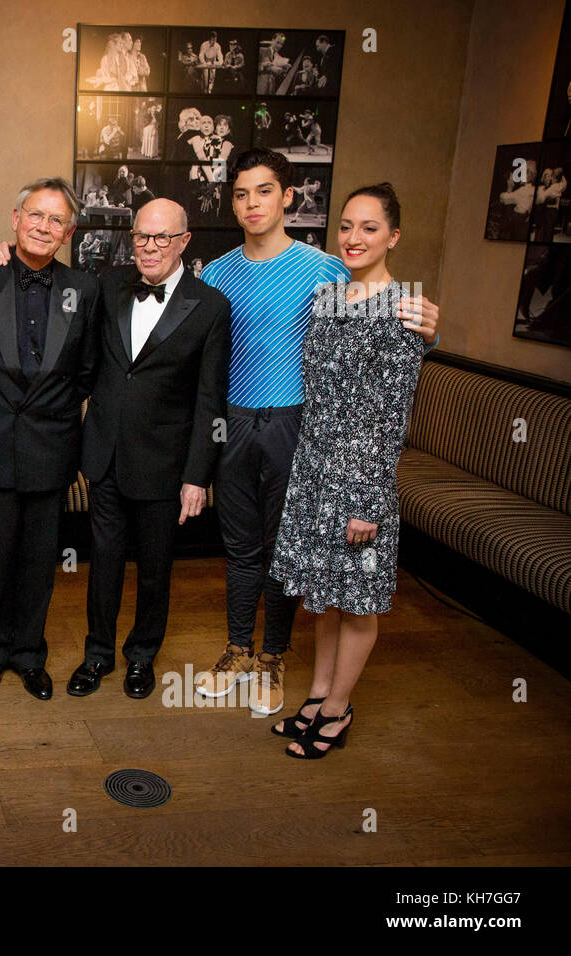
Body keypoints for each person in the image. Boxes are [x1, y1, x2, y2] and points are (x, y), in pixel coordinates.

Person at [194, 149, 440, 717]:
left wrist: (429, 330)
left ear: (287, 198)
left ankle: (274, 657)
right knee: (239, 548)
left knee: (285, 549)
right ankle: (237, 649)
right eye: (240, 193)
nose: (251, 203)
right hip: (231, 420)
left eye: (263, 191)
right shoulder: (216, 271)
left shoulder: (329, 271)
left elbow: (382, 344)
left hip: (295, 425)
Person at [269, 184, 425, 757]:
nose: (354, 239)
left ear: (393, 237)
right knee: (323, 594)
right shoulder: (329, 297)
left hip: (360, 479)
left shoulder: (403, 308)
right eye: (346, 227)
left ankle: (338, 709)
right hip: (315, 468)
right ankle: (316, 696)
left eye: (369, 228)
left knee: (357, 600)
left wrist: (368, 500)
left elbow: (392, 413)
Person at [69, 200, 230, 698]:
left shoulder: (210, 306)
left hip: (166, 465)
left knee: (156, 569)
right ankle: (97, 654)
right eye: (143, 236)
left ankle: (142, 655)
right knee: (103, 563)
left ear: (184, 242)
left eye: (163, 237)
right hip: (106, 456)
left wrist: (198, 475)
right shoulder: (108, 285)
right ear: (131, 238)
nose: (151, 247)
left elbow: (211, 400)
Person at [0, 178, 100, 701]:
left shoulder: (84, 289)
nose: (43, 226)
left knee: (42, 557)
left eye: (55, 220)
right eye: (34, 215)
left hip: (52, 443)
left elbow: (87, 372)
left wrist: (53, 410)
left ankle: (29, 654)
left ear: (69, 231)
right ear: (15, 219)